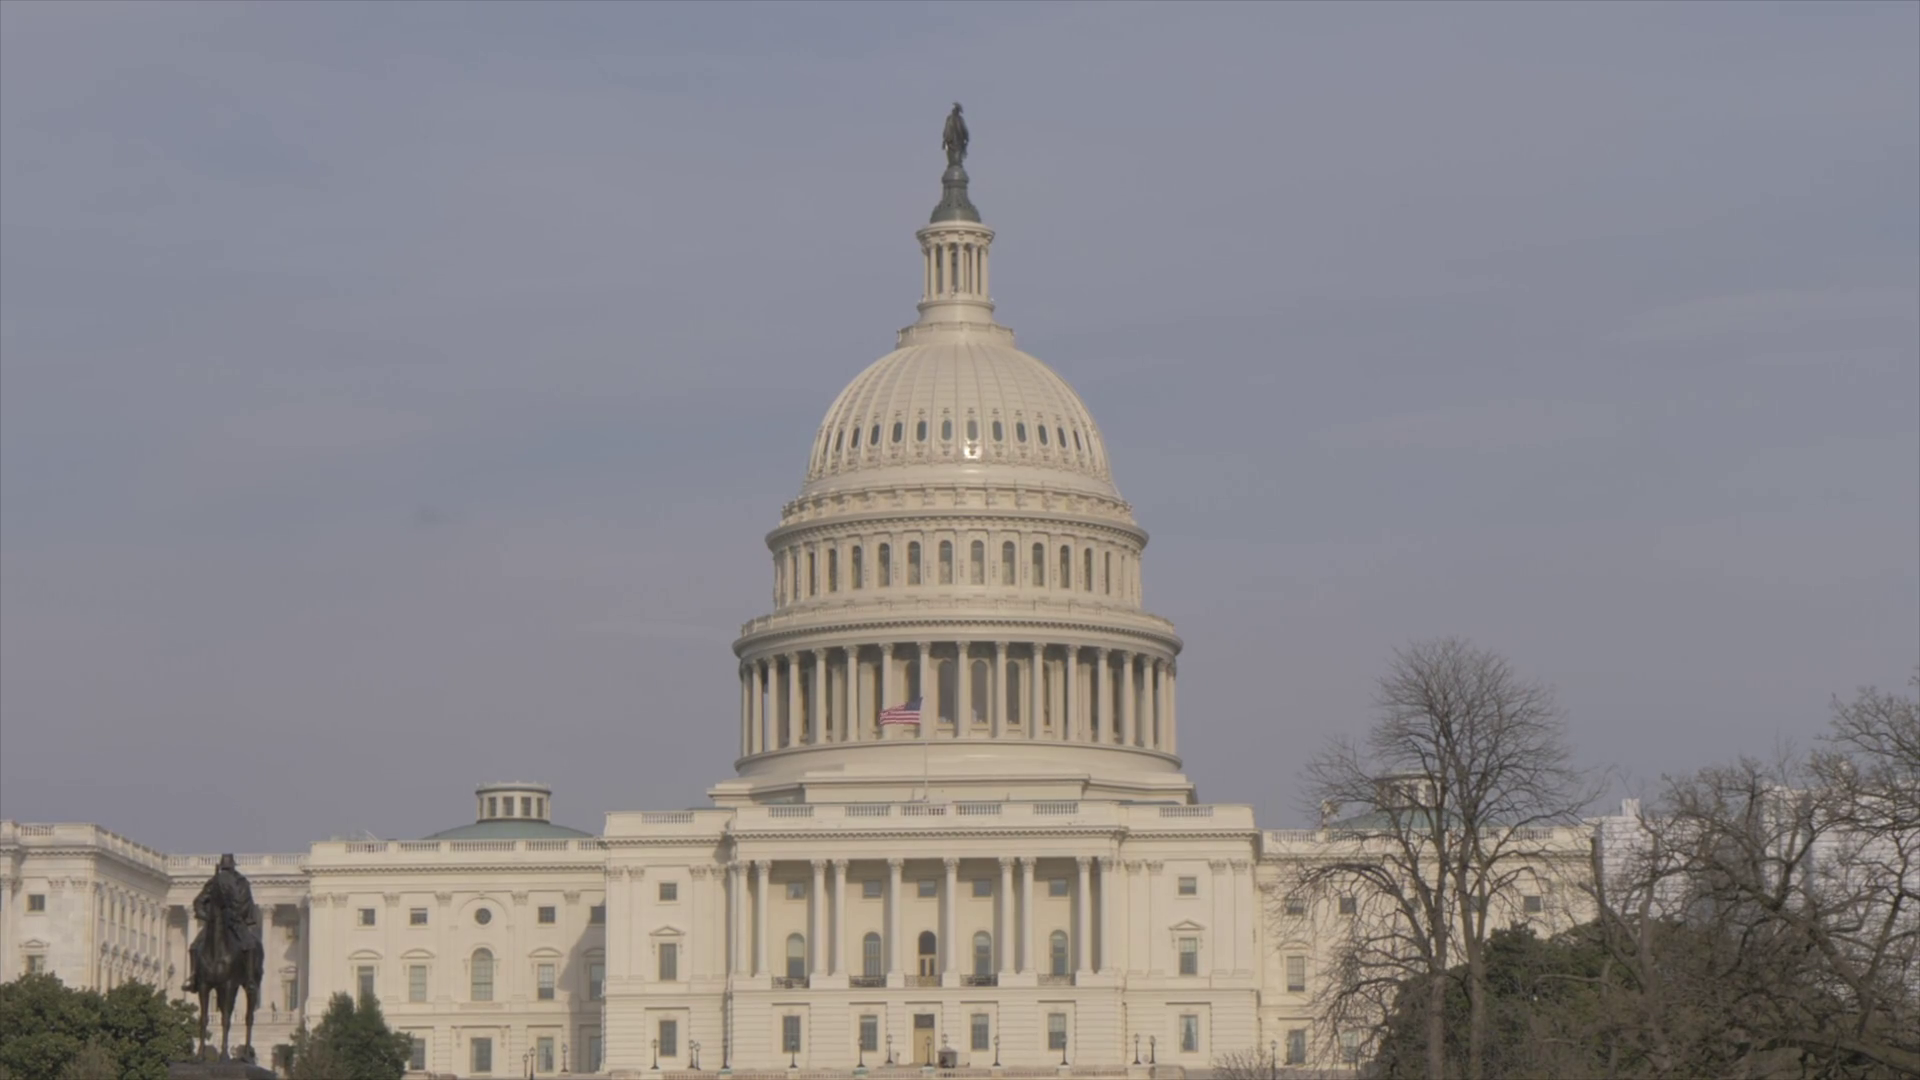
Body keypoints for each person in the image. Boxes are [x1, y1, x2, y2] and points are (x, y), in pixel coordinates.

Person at [184, 854, 259, 994]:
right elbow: (200, 900)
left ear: (232, 868)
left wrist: (235, 916)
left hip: (236, 922)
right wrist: (205, 915)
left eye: (227, 869)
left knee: (250, 945)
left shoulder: (241, 883)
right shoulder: (214, 882)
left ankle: (249, 979)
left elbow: (245, 903)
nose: (226, 872)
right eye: (224, 869)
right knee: (194, 946)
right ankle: (194, 977)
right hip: (215, 922)